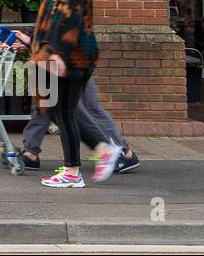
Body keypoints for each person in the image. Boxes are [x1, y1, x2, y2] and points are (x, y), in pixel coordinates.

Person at [28, 0, 122, 187]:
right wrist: (33, 42)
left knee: (63, 113)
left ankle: (73, 172)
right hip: (66, 57)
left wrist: (57, 54)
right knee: (62, 111)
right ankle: (103, 149)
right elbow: (53, 22)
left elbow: (67, 23)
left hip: (70, 59)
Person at [11, 34, 140, 175]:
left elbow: (63, 28)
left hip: (67, 59)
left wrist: (33, 41)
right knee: (45, 106)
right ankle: (32, 153)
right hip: (52, 58)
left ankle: (116, 151)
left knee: (81, 109)